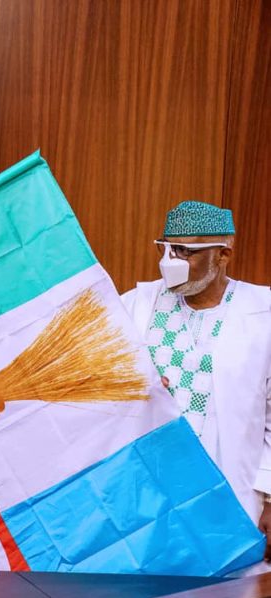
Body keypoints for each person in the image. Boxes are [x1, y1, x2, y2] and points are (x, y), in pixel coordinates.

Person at [122, 200, 271, 565]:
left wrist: (270, 496)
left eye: (185, 251)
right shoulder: (137, 306)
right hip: (148, 494)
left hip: (227, 494)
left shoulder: (263, 313)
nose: (169, 261)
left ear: (223, 255)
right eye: (166, 248)